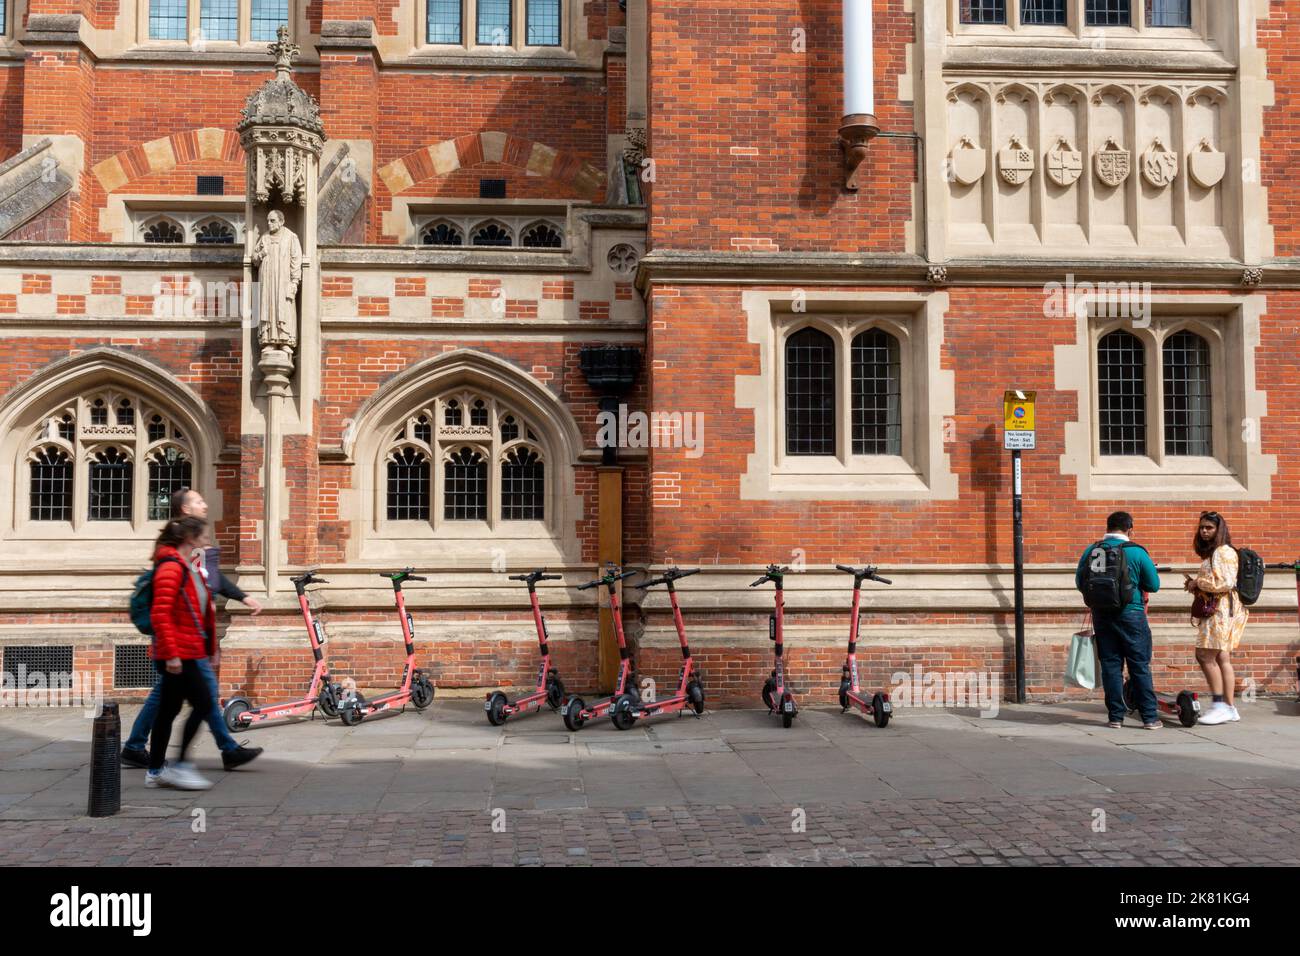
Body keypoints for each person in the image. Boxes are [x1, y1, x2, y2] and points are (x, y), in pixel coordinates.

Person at [122, 488, 263, 770]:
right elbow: (200, 585)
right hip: (182, 635)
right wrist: (179, 649)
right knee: (201, 695)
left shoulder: (189, 543)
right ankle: (221, 750)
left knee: (170, 697)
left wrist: (241, 596)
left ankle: (138, 747)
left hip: (190, 634)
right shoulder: (184, 547)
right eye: (198, 501)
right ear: (186, 510)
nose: (205, 505)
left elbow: (209, 580)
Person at [145, 516, 219, 790]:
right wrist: (173, 655)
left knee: (168, 710)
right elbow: (161, 613)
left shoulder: (187, 566)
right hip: (178, 654)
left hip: (188, 650)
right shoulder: (172, 568)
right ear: (191, 539)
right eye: (204, 535)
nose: (208, 539)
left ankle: (155, 771)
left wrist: (210, 648)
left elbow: (199, 612)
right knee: (204, 704)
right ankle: (181, 766)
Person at [1076, 511, 1162, 729]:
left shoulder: (1091, 550)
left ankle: (1115, 717)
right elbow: (1153, 585)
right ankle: (1150, 717)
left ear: (1108, 527)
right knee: (1139, 665)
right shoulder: (1136, 552)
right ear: (1130, 529)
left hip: (1102, 614)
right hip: (1131, 614)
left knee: (1111, 666)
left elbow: (1080, 582)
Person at [1184, 511, 1247, 726]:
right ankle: (1229, 708)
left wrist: (1198, 583)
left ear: (1219, 529)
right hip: (1222, 608)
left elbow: (1226, 582)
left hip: (1220, 612)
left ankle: (1220, 706)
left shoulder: (1223, 552)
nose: (1204, 531)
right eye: (1202, 527)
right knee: (1221, 657)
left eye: (1209, 527)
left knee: (1204, 655)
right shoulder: (1218, 552)